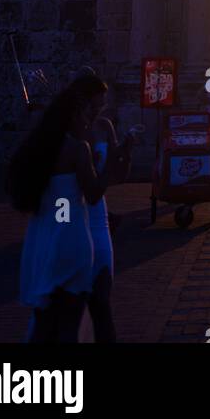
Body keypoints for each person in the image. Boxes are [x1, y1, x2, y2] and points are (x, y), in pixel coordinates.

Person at [8, 75, 112, 342]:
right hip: (72, 239)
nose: (87, 120)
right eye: (84, 114)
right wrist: (111, 165)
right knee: (69, 321)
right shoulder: (78, 149)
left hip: (42, 239)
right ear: (73, 116)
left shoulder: (38, 150)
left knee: (44, 320)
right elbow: (92, 194)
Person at [79, 70, 136, 342]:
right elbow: (91, 188)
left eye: (101, 103)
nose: (98, 109)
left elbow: (117, 175)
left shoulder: (104, 127)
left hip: (97, 216)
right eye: (94, 104)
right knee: (69, 303)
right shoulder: (67, 135)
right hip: (73, 219)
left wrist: (127, 150)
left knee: (101, 299)